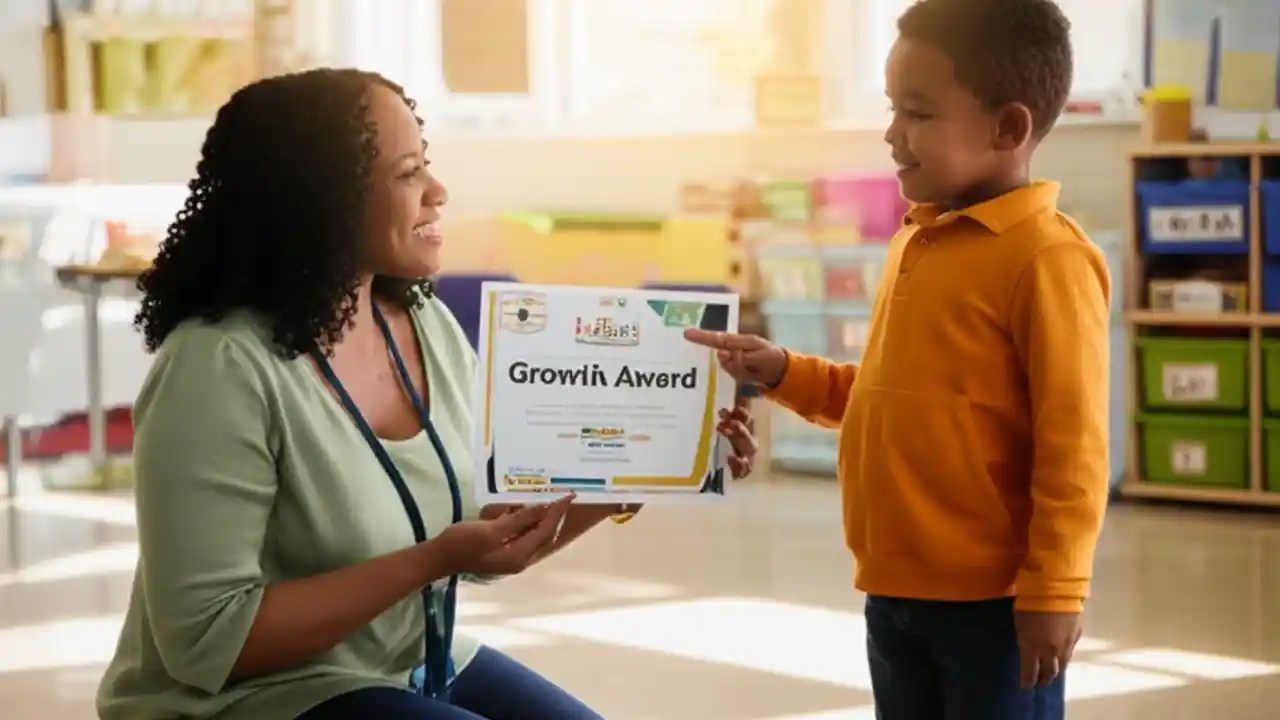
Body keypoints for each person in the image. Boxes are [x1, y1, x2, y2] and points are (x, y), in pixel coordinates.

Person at [95, 68, 758, 720]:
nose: (438, 191)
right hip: (241, 700)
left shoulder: (424, 324)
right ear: (321, 197)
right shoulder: (218, 365)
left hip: (411, 660)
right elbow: (207, 640)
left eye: (426, 164)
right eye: (408, 173)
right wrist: (432, 561)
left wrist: (650, 462)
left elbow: (487, 542)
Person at [686, 1, 1108, 717]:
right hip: (893, 593)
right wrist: (785, 370)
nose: (890, 133)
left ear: (1008, 128)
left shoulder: (1048, 259)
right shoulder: (917, 238)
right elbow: (885, 395)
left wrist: (1056, 590)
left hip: (994, 610)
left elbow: (1075, 449)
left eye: (917, 112)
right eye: (892, 108)